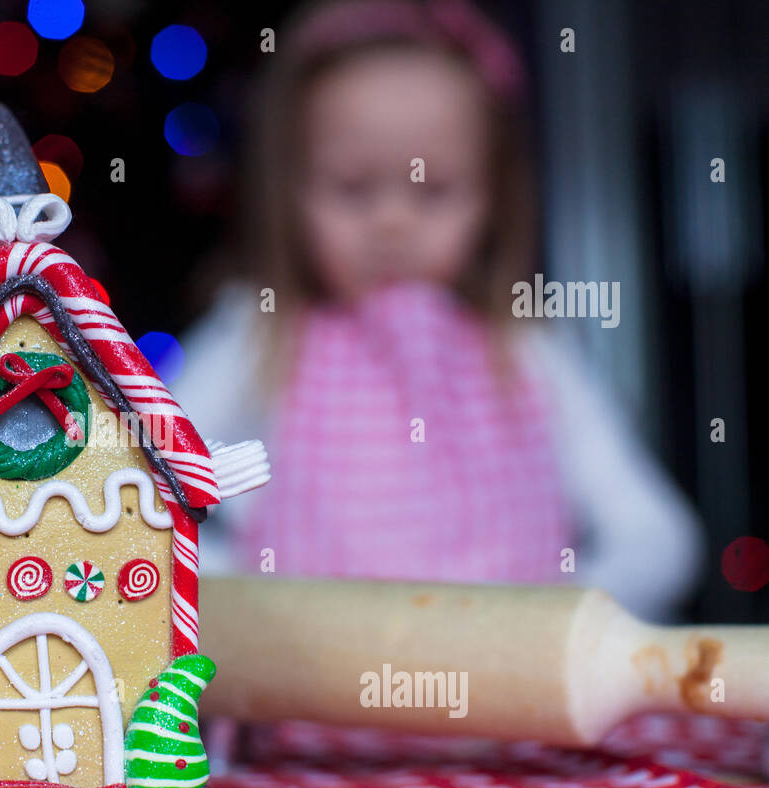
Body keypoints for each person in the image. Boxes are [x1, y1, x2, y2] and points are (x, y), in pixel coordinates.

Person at [177, 0, 703, 624]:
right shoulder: (259, 337)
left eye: (435, 190)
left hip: (510, 714)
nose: (392, 222)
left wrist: (554, 619)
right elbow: (151, 494)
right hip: (306, 710)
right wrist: (265, 608)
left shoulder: (523, 348)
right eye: (352, 187)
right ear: (287, 188)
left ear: (494, 196)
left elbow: (659, 541)